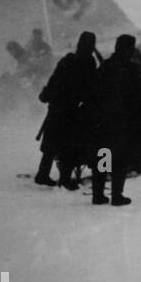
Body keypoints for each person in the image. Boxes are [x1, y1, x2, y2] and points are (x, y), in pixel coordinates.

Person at [34, 31, 100, 188]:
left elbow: (54, 81)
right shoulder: (87, 63)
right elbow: (89, 88)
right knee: (68, 145)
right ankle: (64, 179)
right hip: (71, 111)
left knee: (51, 144)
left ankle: (42, 175)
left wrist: (48, 95)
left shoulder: (67, 60)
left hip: (57, 108)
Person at [92, 34, 141, 207]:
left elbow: (96, 93)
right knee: (120, 160)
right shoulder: (132, 69)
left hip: (103, 121)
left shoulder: (105, 66)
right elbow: (139, 99)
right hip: (124, 123)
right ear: (130, 49)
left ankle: (98, 194)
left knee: (103, 157)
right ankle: (117, 195)